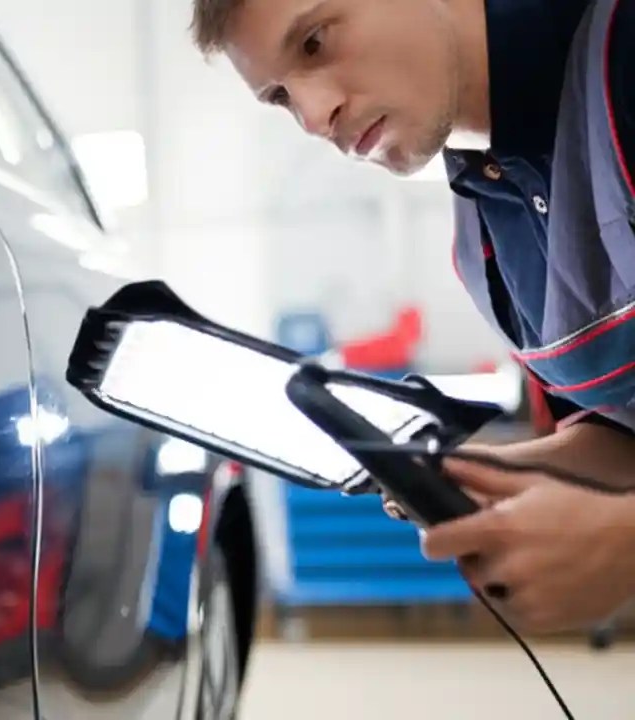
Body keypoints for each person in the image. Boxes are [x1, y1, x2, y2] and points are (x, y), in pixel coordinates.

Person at [189, 0, 635, 633]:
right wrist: (486, 473)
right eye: (282, 98)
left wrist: (624, 543)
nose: (315, 118)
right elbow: (625, 441)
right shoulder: (486, 234)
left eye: (315, 42)